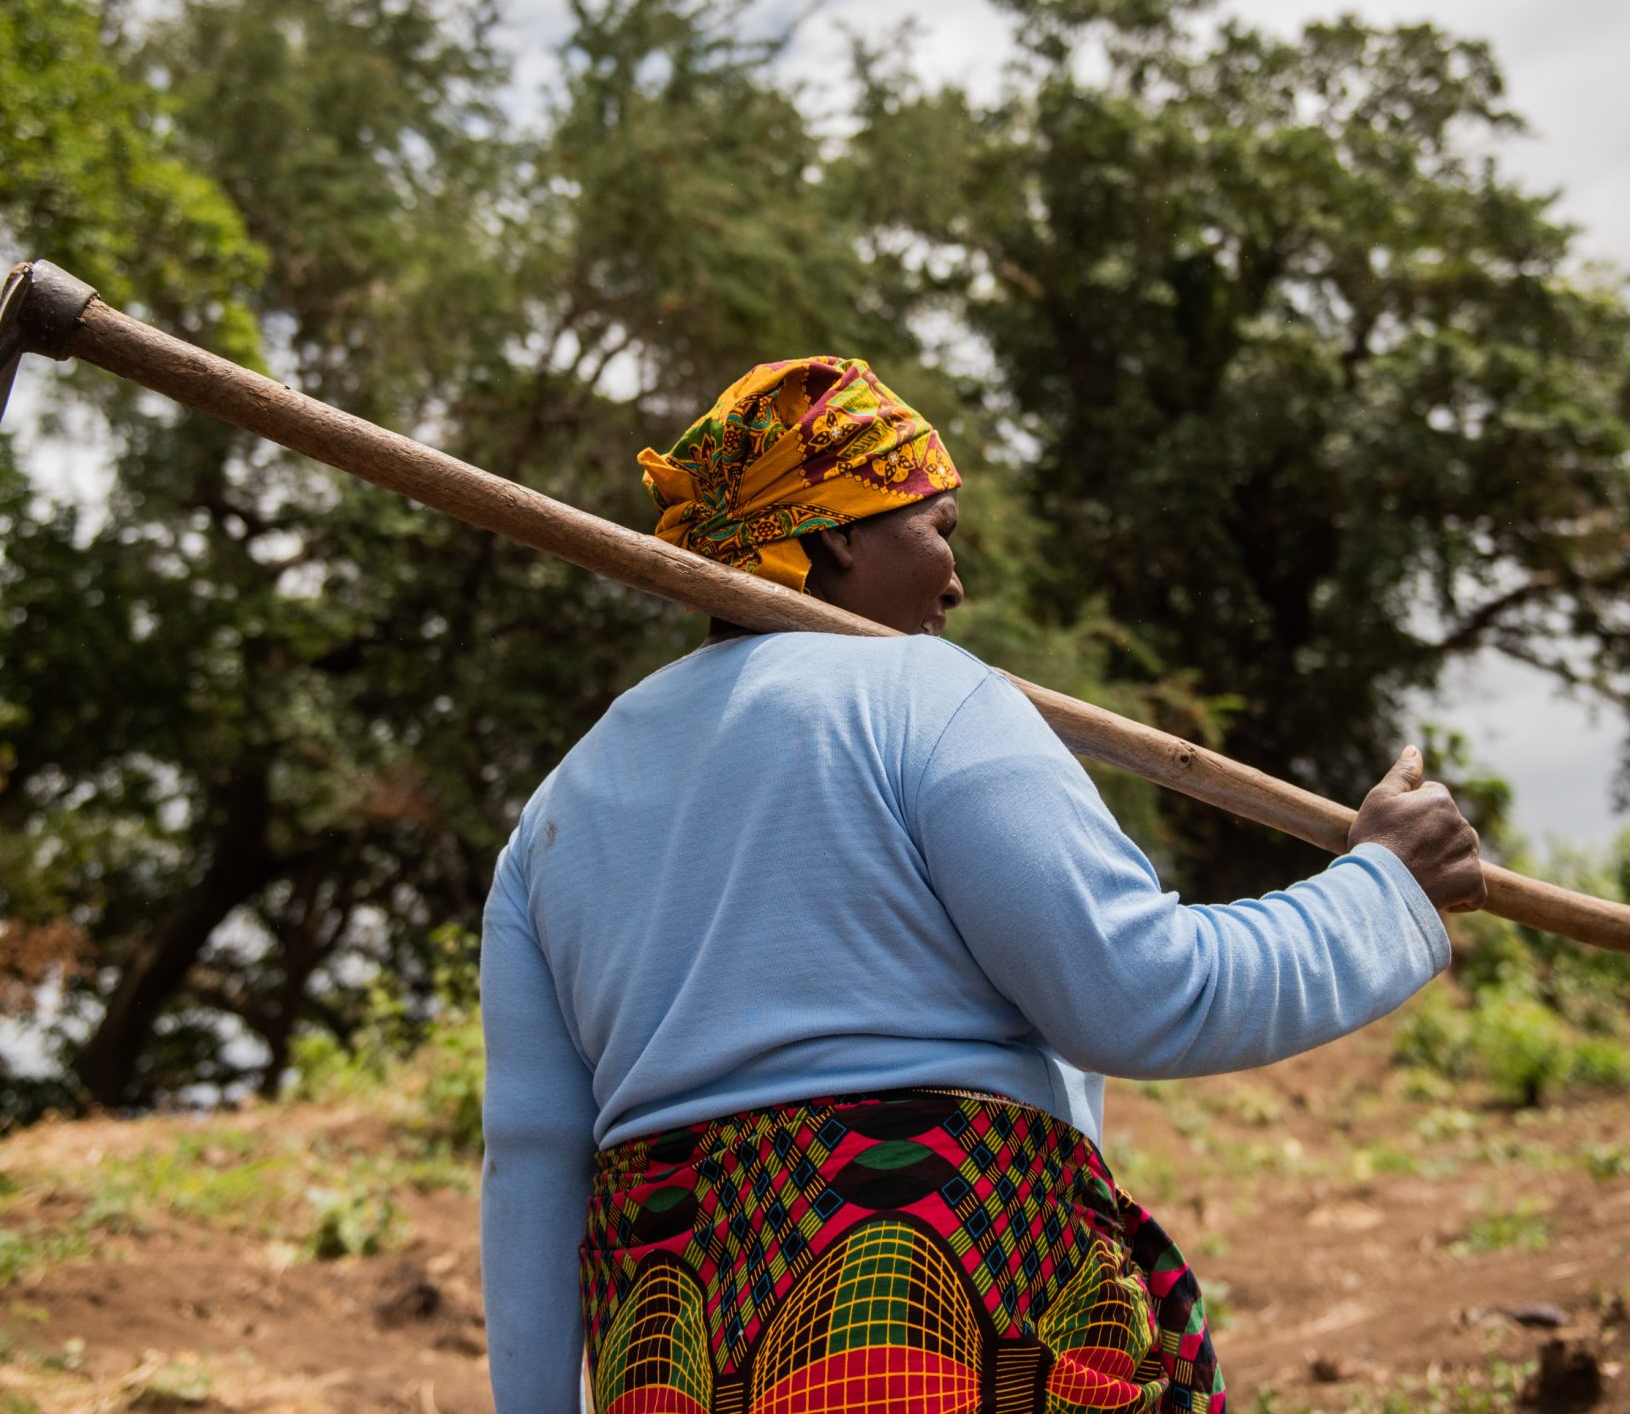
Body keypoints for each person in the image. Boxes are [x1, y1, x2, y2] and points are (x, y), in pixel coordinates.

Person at [479, 357, 1484, 1414]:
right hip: (943, 1325)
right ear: (835, 533)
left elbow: (535, 1162)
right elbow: (1147, 994)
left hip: (673, 1359)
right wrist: (1384, 887)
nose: (954, 579)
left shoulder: (557, 808)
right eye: (938, 526)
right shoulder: (931, 697)